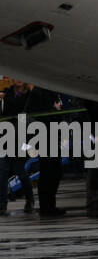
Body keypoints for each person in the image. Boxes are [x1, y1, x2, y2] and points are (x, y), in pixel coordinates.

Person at [23, 85, 66, 217]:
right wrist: (56, 111)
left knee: (52, 172)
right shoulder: (41, 92)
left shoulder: (45, 91)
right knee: (50, 172)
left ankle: (48, 206)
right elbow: (44, 115)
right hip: (45, 137)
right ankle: (47, 207)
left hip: (49, 136)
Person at [0, 80, 35, 215]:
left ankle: (29, 200)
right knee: (3, 172)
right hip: (6, 136)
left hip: (21, 137)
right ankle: (2, 204)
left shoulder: (29, 95)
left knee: (20, 172)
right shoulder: (8, 94)